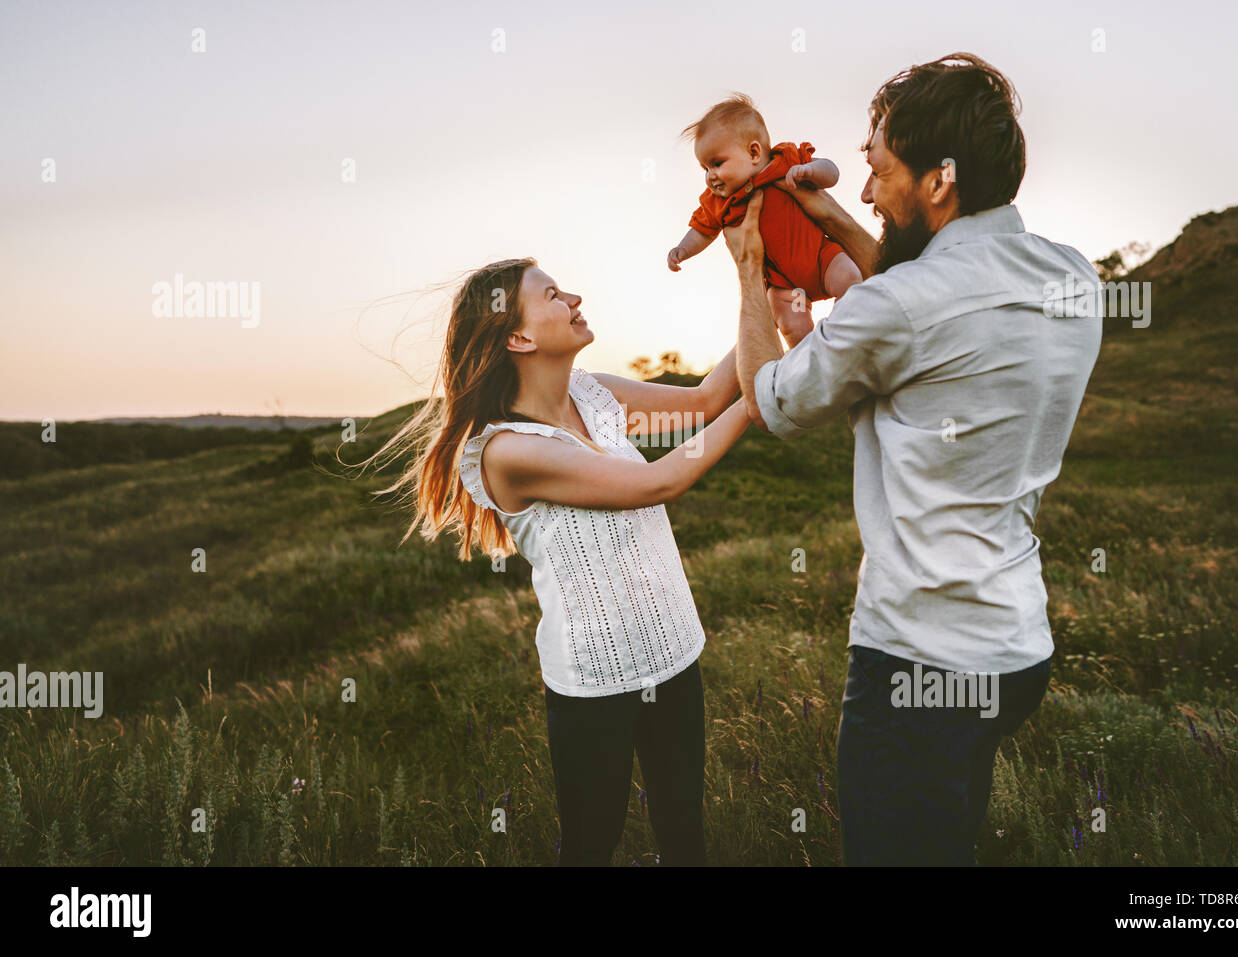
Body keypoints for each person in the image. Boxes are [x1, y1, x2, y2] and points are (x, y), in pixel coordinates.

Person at [724, 52, 1103, 865]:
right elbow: (934, 296)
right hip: (1015, 652)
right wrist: (827, 221)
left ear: (940, 182)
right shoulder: (1075, 279)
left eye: (879, 171)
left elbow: (771, 401)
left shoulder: (895, 307)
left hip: (918, 666)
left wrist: (751, 270)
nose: (864, 192)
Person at [370, 257, 751, 864]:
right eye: (551, 295)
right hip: (594, 683)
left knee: (686, 839)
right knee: (590, 848)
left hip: (675, 650)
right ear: (518, 337)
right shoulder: (507, 450)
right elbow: (658, 483)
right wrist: (762, 403)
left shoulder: (594, 393)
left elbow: (703, 402)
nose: (573, 297)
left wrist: (763, 295)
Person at [669, 93, 862, 349]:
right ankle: (812, 357)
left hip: (821, 257)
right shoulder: (718, 201)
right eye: (705, 168)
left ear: (754, 152)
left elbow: (832, 171)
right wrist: (682, 250)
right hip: (785, 283)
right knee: (791, 325)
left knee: (851, 279)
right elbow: (702, 231)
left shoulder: (786, 161)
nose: (710, 176)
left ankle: (839, 338)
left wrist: (812, 171)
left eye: (717, 163)